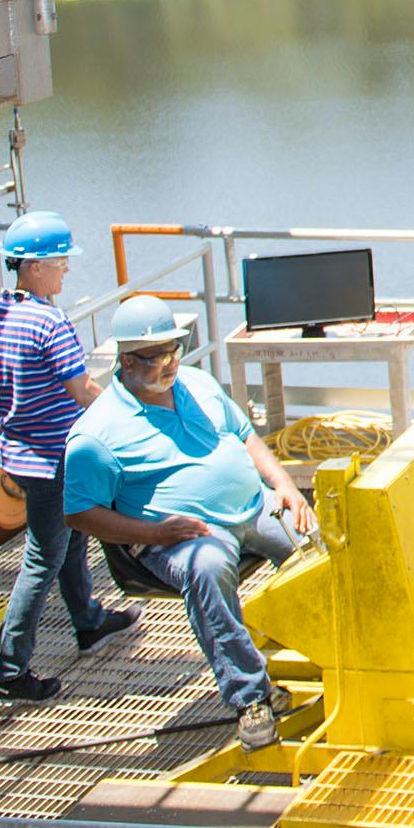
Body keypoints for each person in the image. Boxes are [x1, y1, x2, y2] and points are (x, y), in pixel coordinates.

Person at [61, 298, 317, 749]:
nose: (170, 364)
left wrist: (285, 486)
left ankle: (348, 652)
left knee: (319, 543)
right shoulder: (96, 434)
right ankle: (251, 699)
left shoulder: (197, 383)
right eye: (158, 356)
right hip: (185, 533)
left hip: (255, 506)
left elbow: (243, 435)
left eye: (175, 351)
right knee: (207, 570)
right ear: (126, 361)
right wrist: (154, 534)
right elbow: (79, 512)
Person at [0, 214, 140, 702]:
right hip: (56, 460)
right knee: (41, 560)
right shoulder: (50, 322)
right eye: (60, 262)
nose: (65, 271)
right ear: (34, 268)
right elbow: (81, 389)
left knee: (71, 536)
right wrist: (132, 419)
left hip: (16, 454)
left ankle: (89, 622)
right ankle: (10, 671)